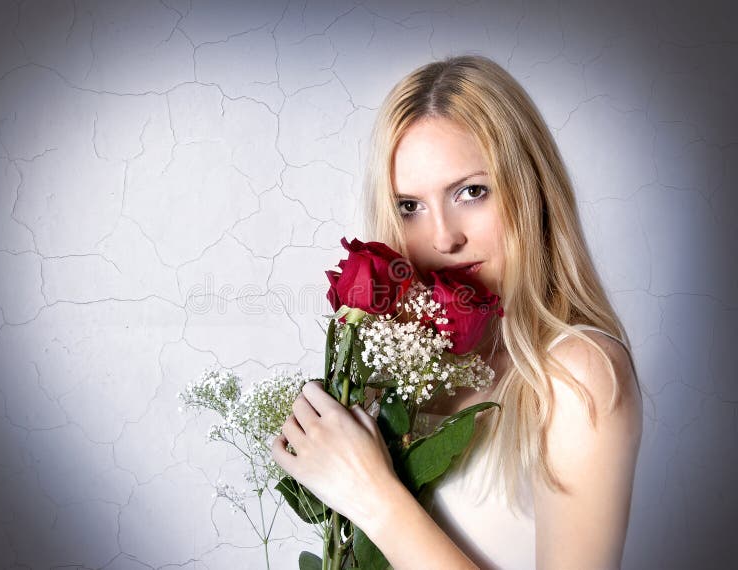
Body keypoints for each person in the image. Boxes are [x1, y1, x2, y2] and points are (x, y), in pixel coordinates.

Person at [271, 54, 645, 570]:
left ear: (531, 189)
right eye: (411, 206)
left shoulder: (576, 373)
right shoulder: (400, 372)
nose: (444, 238)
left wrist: (372, 495)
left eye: (471, 192)